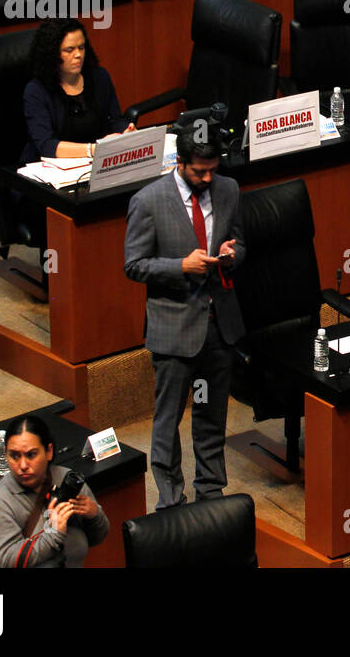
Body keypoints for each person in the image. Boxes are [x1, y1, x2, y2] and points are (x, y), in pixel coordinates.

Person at [124, 129, 246, 509]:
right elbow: (134, 265)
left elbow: (240, 243)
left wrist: (231, 253)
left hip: (218, 323)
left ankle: (211, 491)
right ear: (180, 163)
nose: (208, 178)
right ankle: (171, 499)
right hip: (173, 327)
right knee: (168, 420)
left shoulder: (228, 190)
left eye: (213, 169)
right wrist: (181, 266)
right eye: (199, 171)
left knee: (212, 415)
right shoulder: (148, 201)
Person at [0, 414, 109, 567]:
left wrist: (94, 515)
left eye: (31, 455)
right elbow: (5, 561)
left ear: (48, 451)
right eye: (14, 456)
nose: (22, 465)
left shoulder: (66, 480)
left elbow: (98, 537)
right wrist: (52, 534)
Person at [22, 18, 133, 163]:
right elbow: (46, 145)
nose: (78, 55)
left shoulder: (99, 77)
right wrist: (94, 149)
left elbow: (115, 120)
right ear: (52, 53)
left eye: (81, 47)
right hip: (50, 170)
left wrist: (127, 133)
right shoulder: (36, 91)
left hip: (94, 164)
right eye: (70, 50)